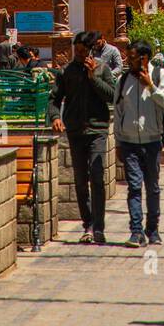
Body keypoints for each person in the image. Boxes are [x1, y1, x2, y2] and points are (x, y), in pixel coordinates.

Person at [48, 32, 117, 245]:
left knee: (97, 176)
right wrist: (55, 117)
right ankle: (87, 223)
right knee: (80, 180)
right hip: (76, 131)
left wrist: (93, 78)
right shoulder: (66, 71)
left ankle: (98, 226)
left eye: (83, 51)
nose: (79, 55)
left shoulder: (102, 69)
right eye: (76, 51)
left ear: (91, 51)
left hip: (97, 129)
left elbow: (112, 95)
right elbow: (54, 98)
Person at [113, 41, 164, 246]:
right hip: (129, 143)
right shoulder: (123, 80)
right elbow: (118, 110)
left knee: (153, 187)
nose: (128, 61)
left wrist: (151, 86)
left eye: (132, 57)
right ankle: (136, 231)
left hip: (152, 142)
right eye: (128, 57)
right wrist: (118, 141)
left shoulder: (159, 75)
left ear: (144, 58)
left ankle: (153, 229)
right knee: (134, 187)